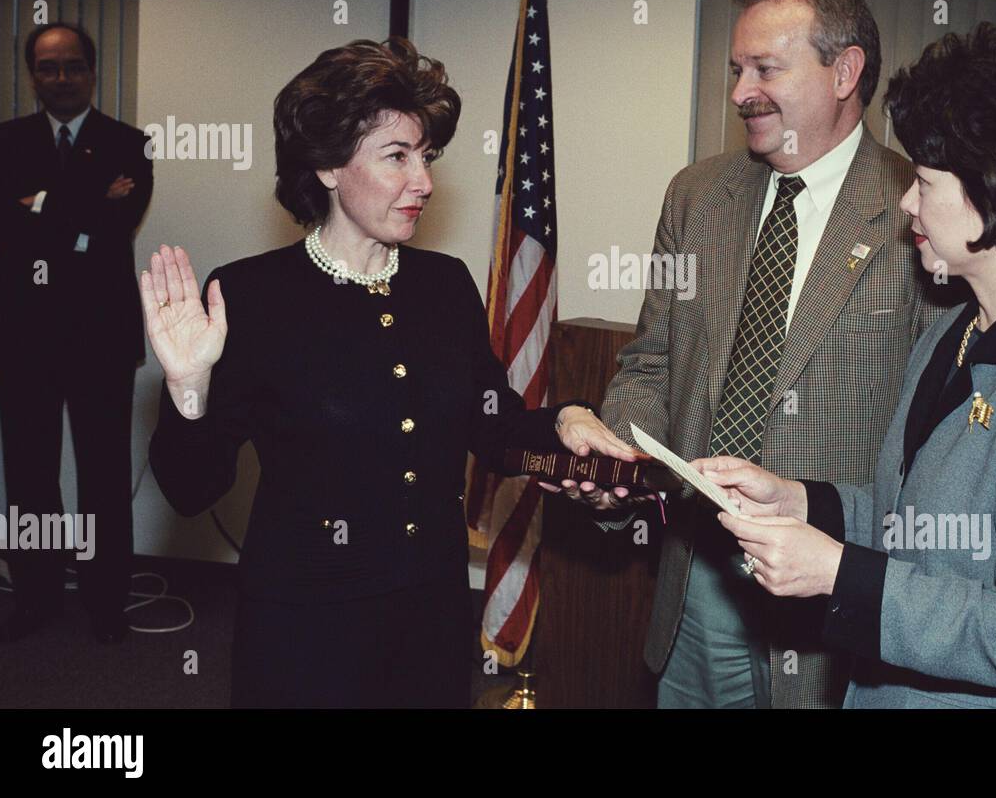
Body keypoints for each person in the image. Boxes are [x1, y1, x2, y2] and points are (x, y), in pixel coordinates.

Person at [143, 37, 635, 707]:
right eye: (397, 157)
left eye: (426, 157)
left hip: (429, 622)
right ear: (325, 166)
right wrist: (188, 387)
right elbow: (190, 488)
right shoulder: (251, 297)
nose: (425, 181)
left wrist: (567, 419)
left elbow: (493, 429)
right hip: (303, 630)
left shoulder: (444, 285)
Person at [699, 22, 996, 708]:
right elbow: (914, 522)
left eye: (927, 181)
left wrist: (839, 576)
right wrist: (799, 501)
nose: (908, 201)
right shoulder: (955, 331)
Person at [545, 0, 951, 708]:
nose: (739, 92)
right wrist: (617, 462)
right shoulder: (698, 196)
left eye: (765, 68)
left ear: (844, 71)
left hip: (834, 594)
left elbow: (932, 440)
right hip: (697, 580)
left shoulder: (917, 212)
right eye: (736, 70)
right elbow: (653, 361)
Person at [0, 22, 152, 644]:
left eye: (73, 66)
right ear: (33, 74)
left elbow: (115, 228)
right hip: (22, 337)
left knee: (103, 476)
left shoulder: (131, 144)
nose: (61, 78)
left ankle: (107, 603)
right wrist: (81, 209)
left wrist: (38, 206)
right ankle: (35, 598)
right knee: (30, 476)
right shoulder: (1, 144)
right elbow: (12, 219)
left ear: (91, 70)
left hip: (99, 338)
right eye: (48, 67)